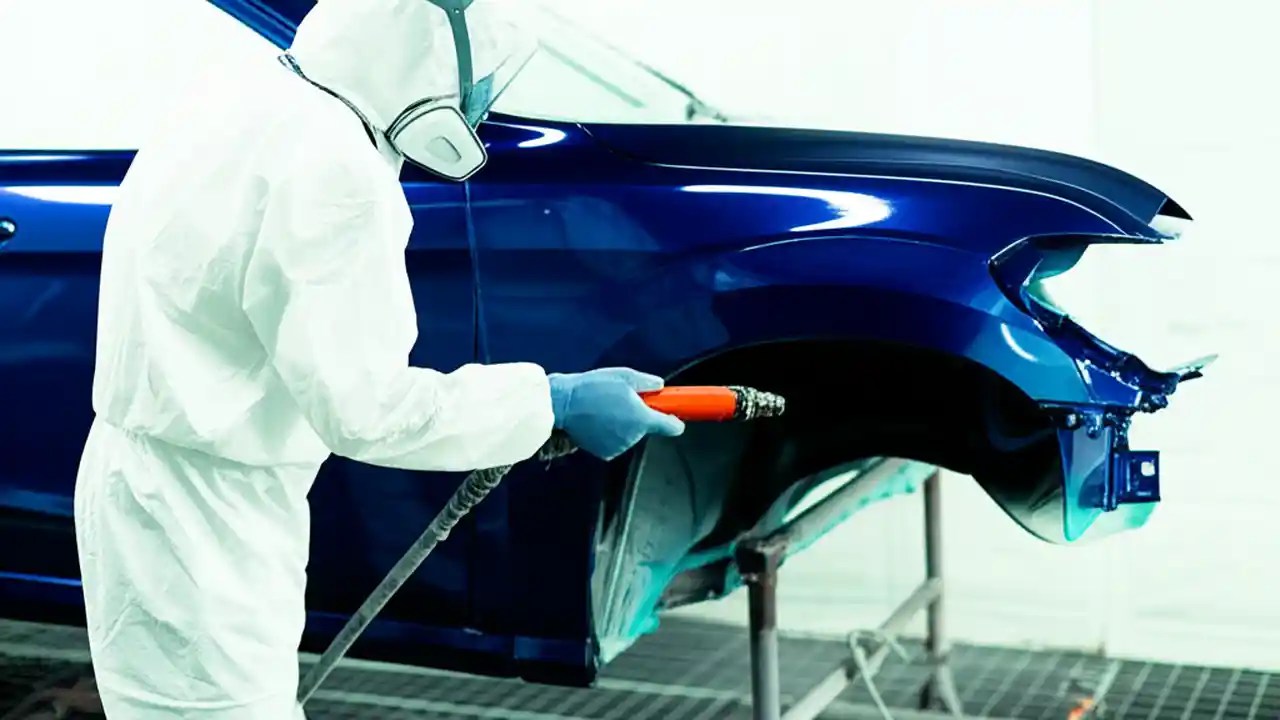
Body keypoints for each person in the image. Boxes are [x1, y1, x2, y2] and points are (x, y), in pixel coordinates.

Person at [72, 0, 684, 717]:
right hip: (213, 517)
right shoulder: (336, 170)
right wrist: (552, 400)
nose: (480, 103)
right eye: (478, 79)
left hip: (130, 476)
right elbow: (369, 409)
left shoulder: (243, 93)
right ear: (423, 54)